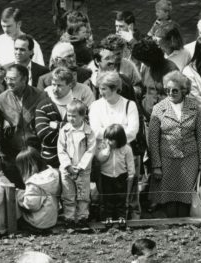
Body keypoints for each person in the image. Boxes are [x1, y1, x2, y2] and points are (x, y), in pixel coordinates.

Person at [148, 73, 201, 218]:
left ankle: (186, 226)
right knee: (169, 199)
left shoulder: (194, 107)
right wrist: (156, 165)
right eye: (167, 90)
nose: (170, 93)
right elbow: (153, 140)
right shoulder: (158, 108)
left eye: (174, 90)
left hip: (190, 159)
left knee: (186, 197)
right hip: (167, 160)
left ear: (184, 90)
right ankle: (173, 226)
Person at [88, 71, 141, 219]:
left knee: (128, 189)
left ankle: (130, 218)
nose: (100, 92)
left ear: (115, 88)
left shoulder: (129, 105)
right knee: (105, 191)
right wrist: (118, 132)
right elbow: (95, 130)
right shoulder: (96, 106)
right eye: (99, 88)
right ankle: (106, 218)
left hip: (125, 153)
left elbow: (133, 131)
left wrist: (112, 137)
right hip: (103, 154)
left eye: (104, 89)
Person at [0, 64, 45, 172]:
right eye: (6, 79)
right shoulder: (1, 100)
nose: (8, 82)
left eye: (12, 79)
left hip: (36, 152)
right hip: (12, 155)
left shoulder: (40, 96)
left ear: (24, 79)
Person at [57, 99, 95, 229]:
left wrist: (80, 167)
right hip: (67, 170)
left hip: (82, 170)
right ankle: (69, 218)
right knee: (68, 195)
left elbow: (90, 151)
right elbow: (61, 149)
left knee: (83, 195)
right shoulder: (65, 130)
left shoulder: (89, 132)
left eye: (74, 116)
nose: (71, 119)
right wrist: (67, 165)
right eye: (69, 115)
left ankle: (82, 218)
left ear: (82, 116)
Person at [35, 67, 78, 168]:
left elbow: (82, 136)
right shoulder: (43, 105)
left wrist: (57, 125)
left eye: (59, 85)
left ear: (70, 85)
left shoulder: (79, 106)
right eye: (53, 84)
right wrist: (68, 127)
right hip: (49, 163)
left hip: (74, 163)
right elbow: (44, 135)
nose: (55, 89)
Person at [95, 123, 134, 223]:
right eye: (107, 138)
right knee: (108, 198)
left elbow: (130, 163)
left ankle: (121, 217)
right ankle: (108, 217)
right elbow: (100, 158)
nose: (108, 141)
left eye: (111, 139)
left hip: (121, 176)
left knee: (121, 198)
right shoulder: (104, 147)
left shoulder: (126, 149)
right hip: (106, 176)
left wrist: (131, 174)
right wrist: (107, 150)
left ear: (119, 139)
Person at [133, 38, 179, 120]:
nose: (143, 63)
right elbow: (143, 89)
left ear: (150, 59)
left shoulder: (171, 70)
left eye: (143, 61)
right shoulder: (146, 68)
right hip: (147, 117)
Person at [15, 147, 60, 231]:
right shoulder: (53, 174)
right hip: (52, 219)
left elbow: (31, 206)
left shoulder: (33, 182)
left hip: (38, 222)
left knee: (14, 195)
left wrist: (19, 196)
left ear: (26, 167)